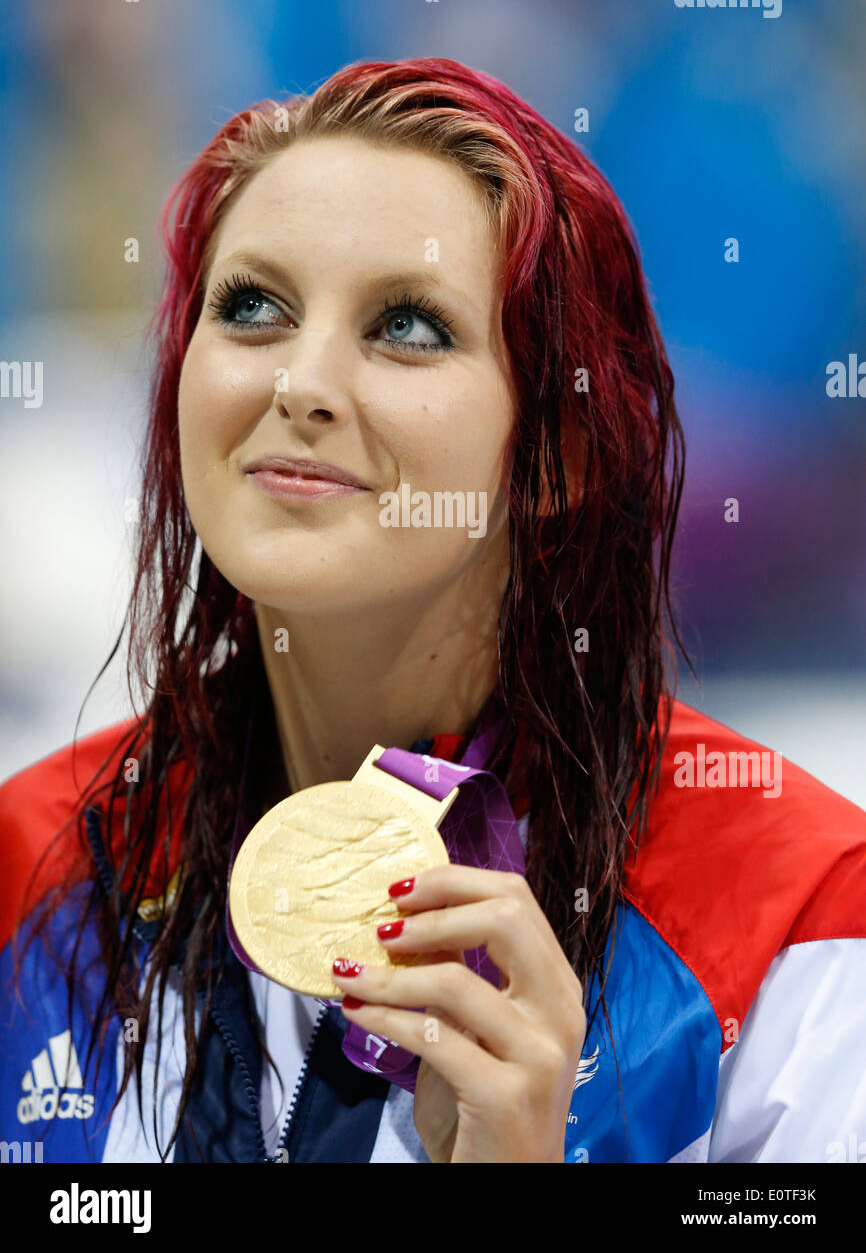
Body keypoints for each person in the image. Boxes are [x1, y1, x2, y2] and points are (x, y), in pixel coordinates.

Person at [1, 58, 864, 1165]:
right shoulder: (34, 866)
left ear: (553, 451)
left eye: (406, 325)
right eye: (252, 307)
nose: (299, 383)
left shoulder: (794, 915)